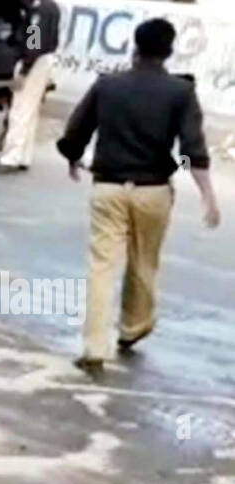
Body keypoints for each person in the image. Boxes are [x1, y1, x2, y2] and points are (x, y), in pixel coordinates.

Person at [56, 18, 221, 378]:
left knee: (101, 267)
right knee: (144, 261)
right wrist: (208, 194)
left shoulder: (107, 85)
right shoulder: (179, 92)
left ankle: (93, 348)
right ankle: (133, 327)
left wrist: (73, 158)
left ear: (135, 45)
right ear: (170, 50)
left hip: (108, 187)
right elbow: (192, 148)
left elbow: (76, 130)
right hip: (153, 191)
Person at [0, 0, 61, 175]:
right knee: (31, 111)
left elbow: (34, 41)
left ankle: (10, 158)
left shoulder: (37, 10)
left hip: (33, 62)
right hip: (45, 59)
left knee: (20, 111)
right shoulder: (52, 6)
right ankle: (23, 156)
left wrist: (25, 68)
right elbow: (53, 38)